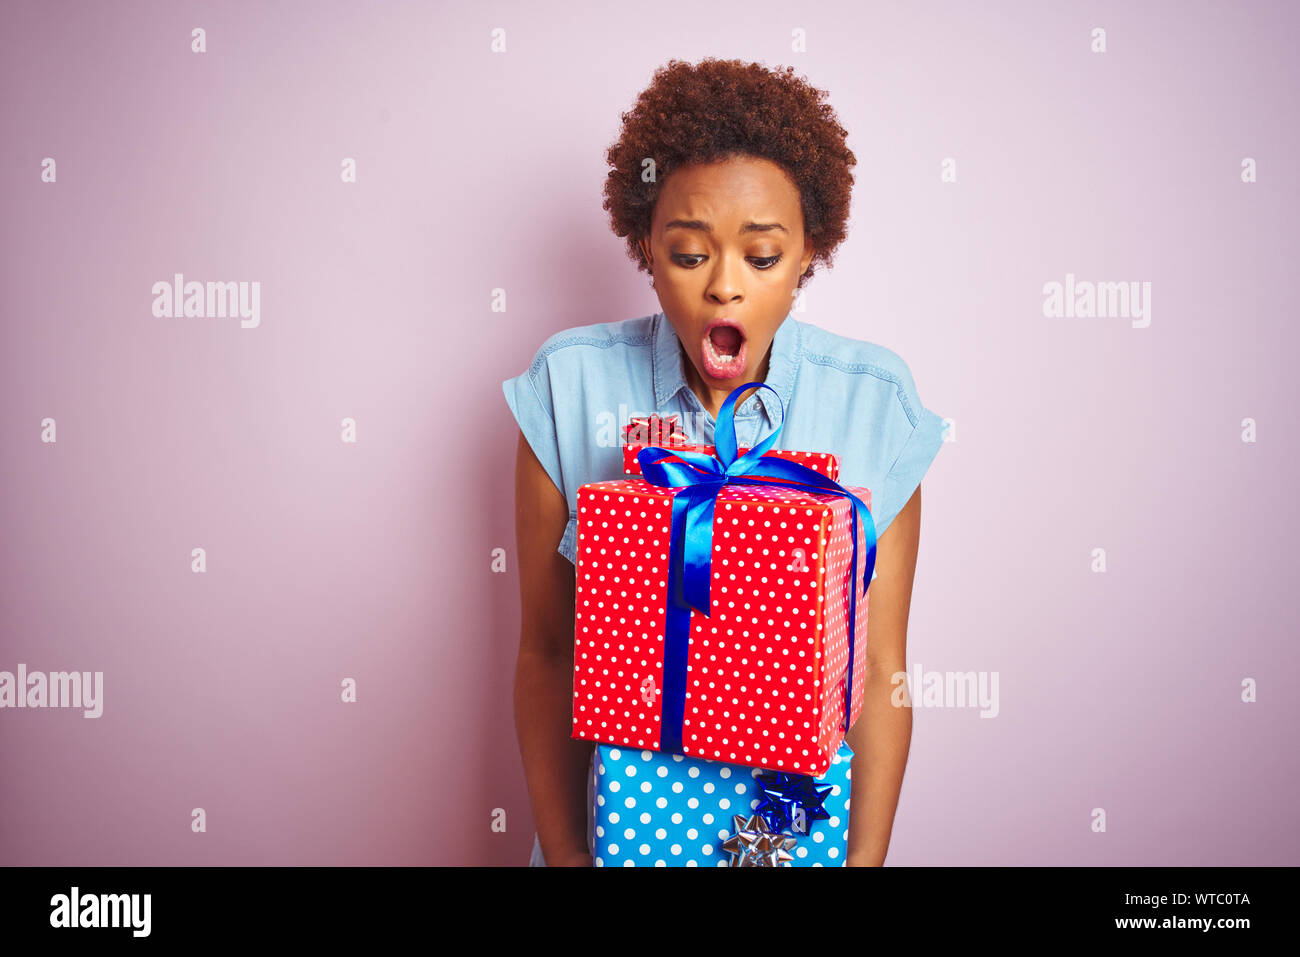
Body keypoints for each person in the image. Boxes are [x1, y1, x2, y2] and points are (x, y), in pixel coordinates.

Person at [502, 57, 948, 867]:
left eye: (763, 256)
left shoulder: (875, 405)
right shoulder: (568, 388)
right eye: (689, 253)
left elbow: (882, 673)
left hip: (798, 833)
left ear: (812, 248)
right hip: (616, 835)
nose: (724, 290)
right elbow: (546, 655)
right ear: (644, 244)